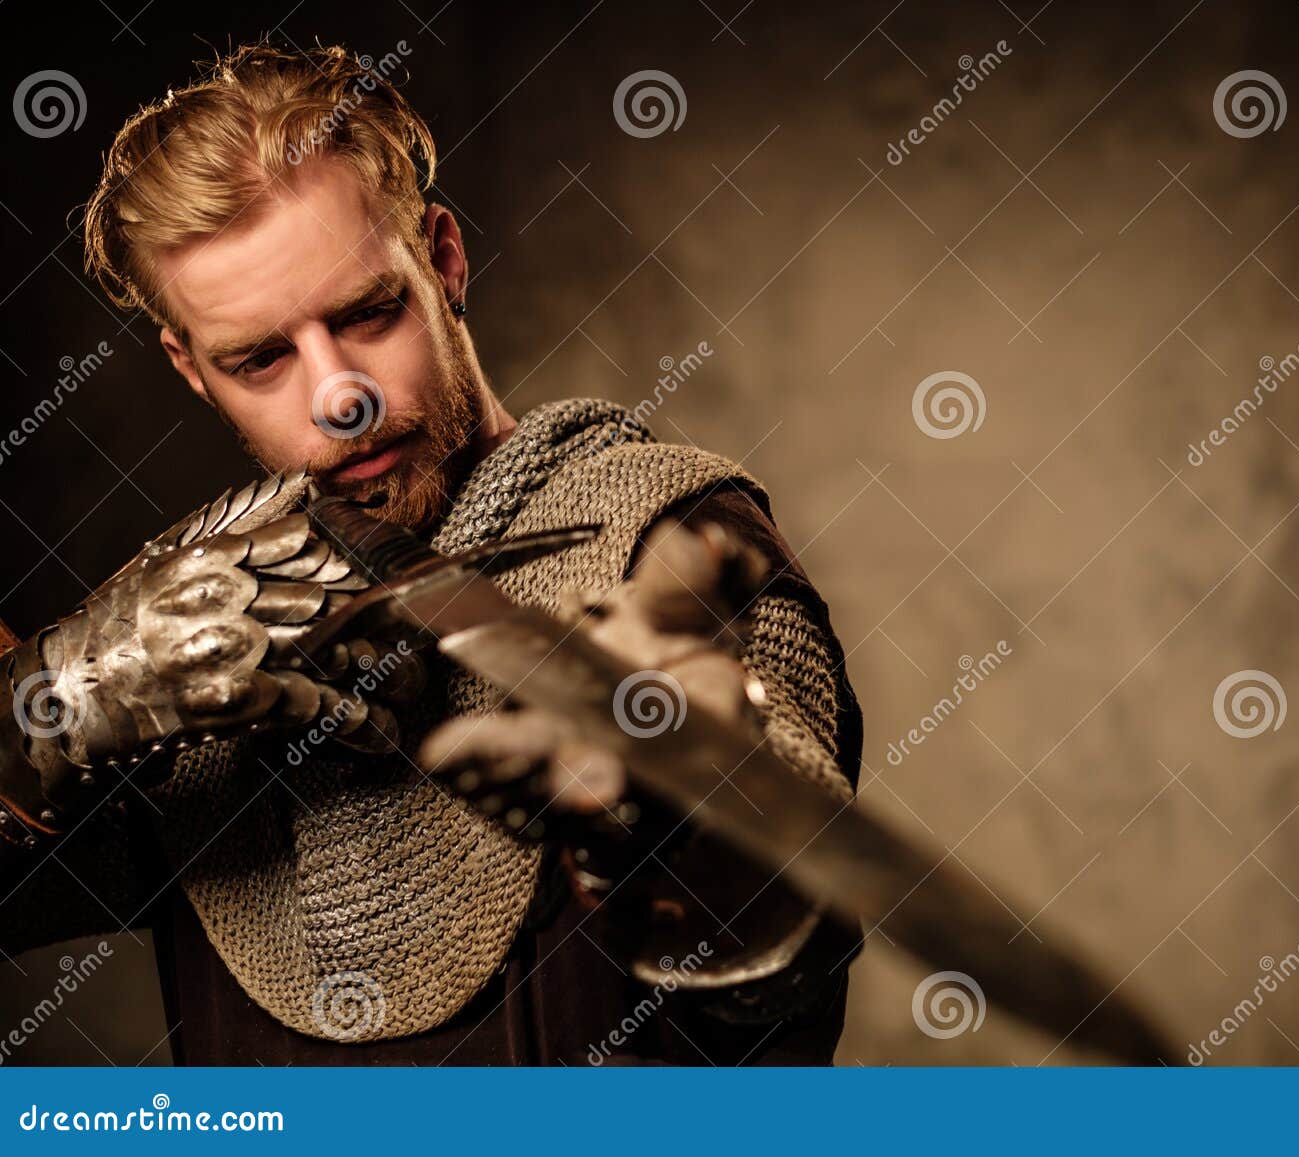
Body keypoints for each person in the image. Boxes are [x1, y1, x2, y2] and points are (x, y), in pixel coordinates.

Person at [0, 42, 862, 1065]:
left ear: (444, 259)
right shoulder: (194, 629)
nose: (340, 396)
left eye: (368, 313)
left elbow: (783, 983)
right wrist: (52, 702)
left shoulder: (668, 541)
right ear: (191, 369)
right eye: (260, 357)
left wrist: (703, 812)